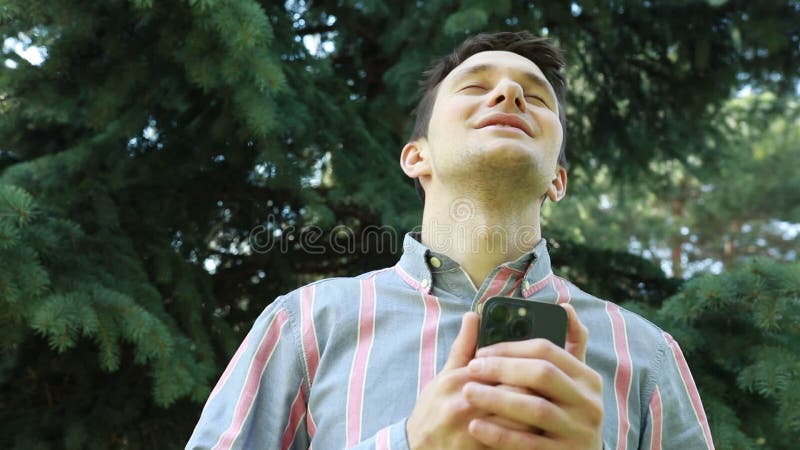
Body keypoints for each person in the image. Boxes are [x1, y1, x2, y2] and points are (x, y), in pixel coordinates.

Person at [186, 31, 714, 450]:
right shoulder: (306, 324)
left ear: (558, 177)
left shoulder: (648, 356)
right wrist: (411, 445)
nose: (508, 94)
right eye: (475, 86)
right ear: (417, 156)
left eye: (534, 96)